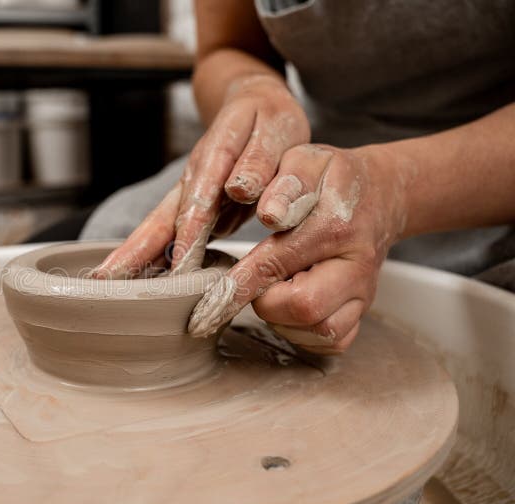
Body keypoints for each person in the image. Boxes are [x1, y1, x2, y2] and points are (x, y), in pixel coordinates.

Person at [81, 0, 515, 354]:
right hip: (316, 144)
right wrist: (252, 89)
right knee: (119, 237)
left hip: (485, 165)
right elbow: (227, 48)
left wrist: (395, 190)